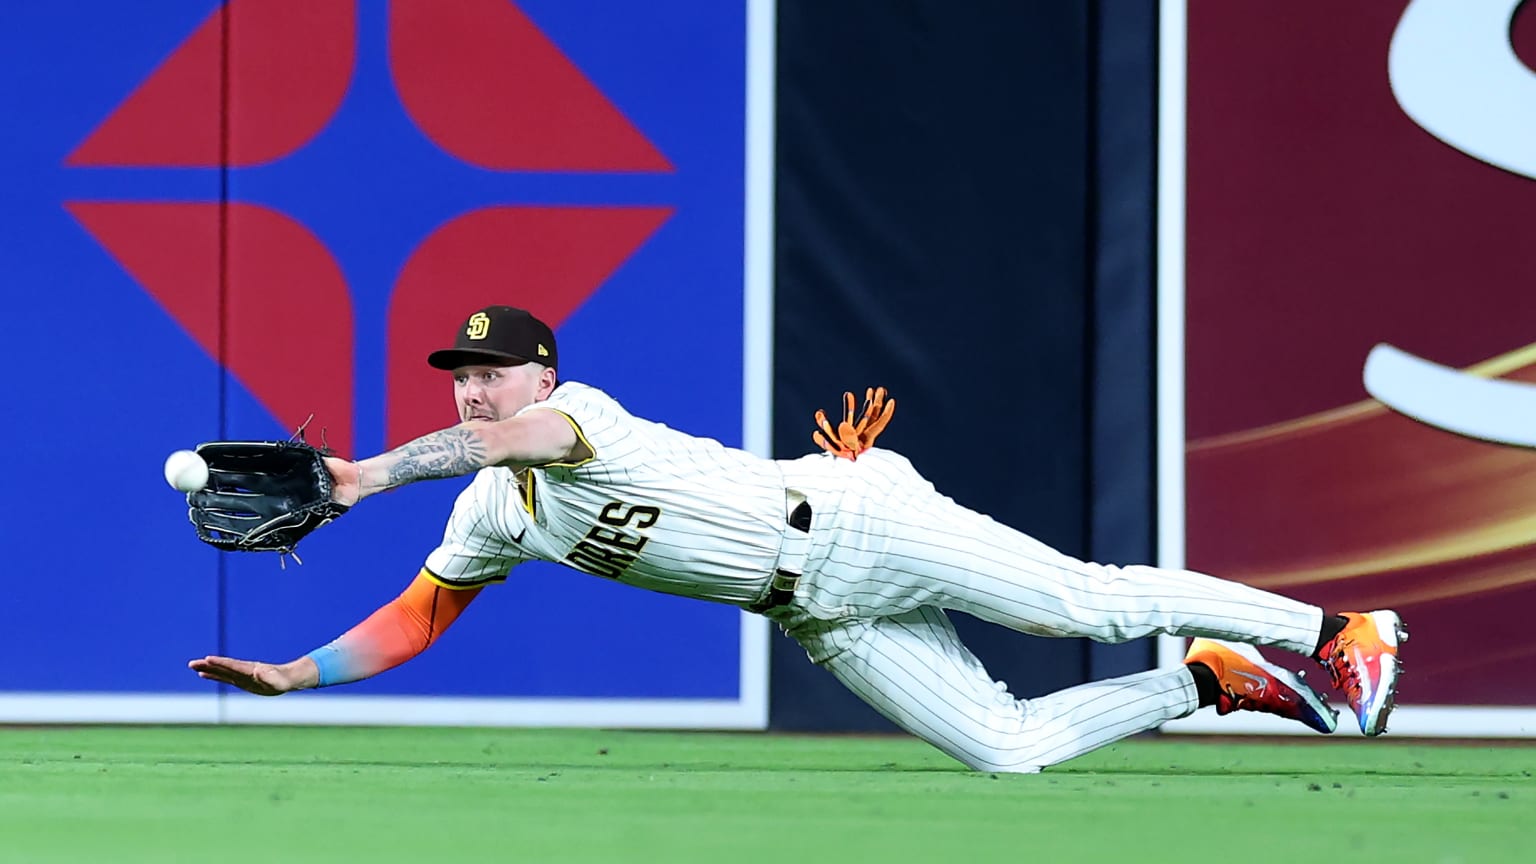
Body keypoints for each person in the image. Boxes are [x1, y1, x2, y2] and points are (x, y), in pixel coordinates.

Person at [190, 305, 1408, 773]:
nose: (473, 389)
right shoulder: (487, 512)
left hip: (861, 523)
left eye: (492, 368)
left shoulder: (572, 420)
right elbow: (422, 613)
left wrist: (359, 476)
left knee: (1077, 605)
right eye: (460, 374)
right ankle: (1209, 678)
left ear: (544, 373)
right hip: (818, 611)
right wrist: (298, 672)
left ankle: (1339, 629)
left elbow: (505, 445)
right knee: (1006, 747)